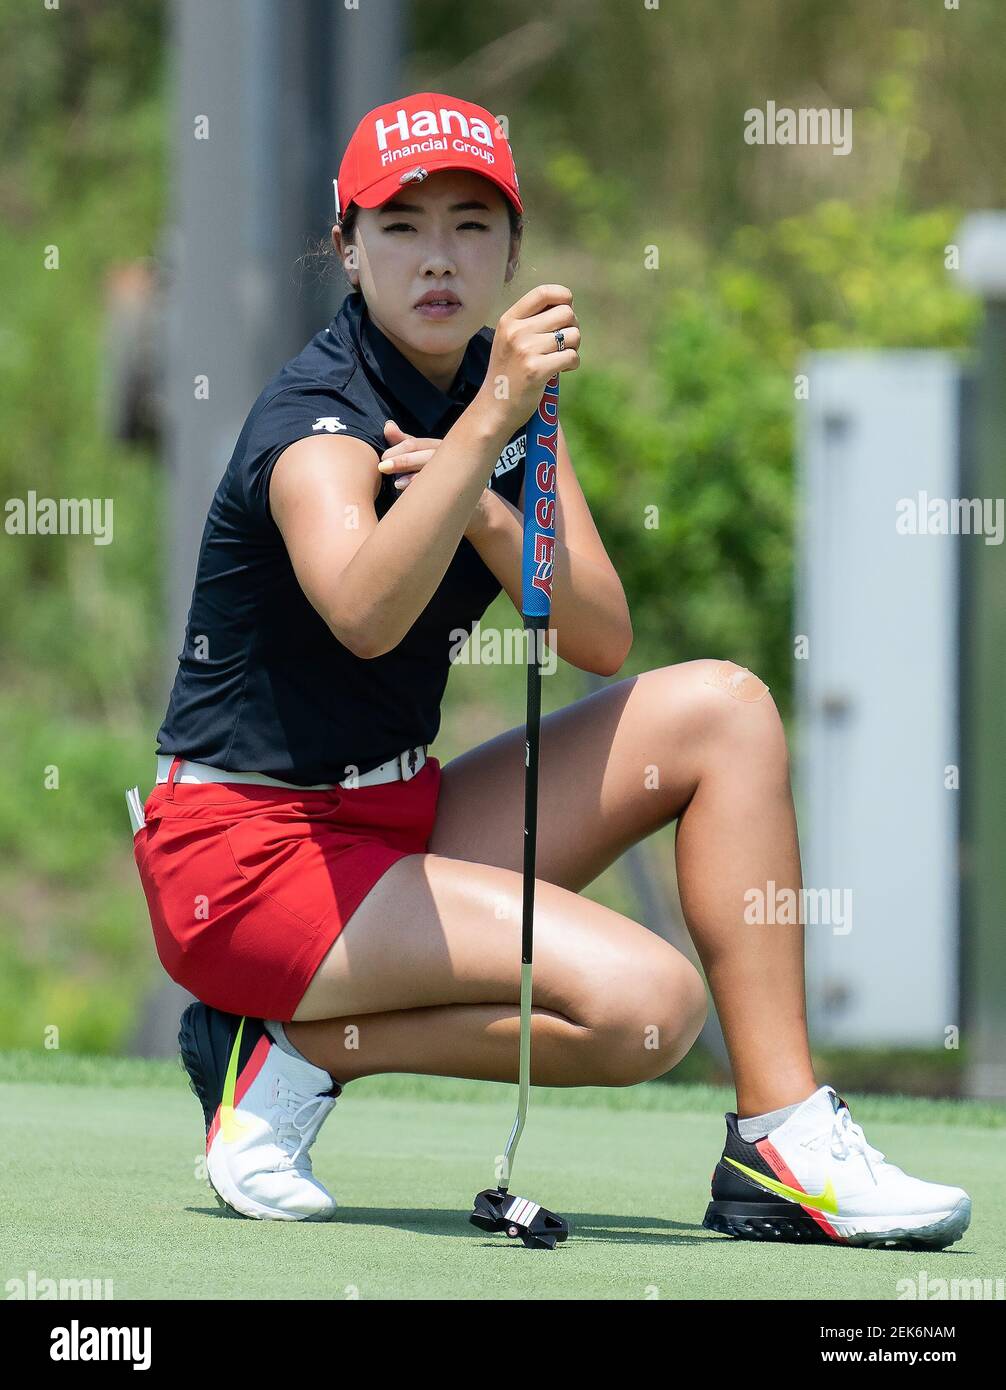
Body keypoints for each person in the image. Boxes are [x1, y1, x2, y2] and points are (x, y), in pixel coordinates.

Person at [133, 92, 971, 1246]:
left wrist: (486, 496)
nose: (438, 257)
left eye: (471, 225)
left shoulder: (503, 393)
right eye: (401, 226)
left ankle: (782, 1142)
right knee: (649, 1009)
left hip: (392, 814)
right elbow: (364, 613)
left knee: (725, 709)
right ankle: (284, 1050)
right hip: (249, 861)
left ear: (512, 248)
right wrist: (486, 425)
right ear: (348, 248)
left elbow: (597, 633)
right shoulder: (317, 423)